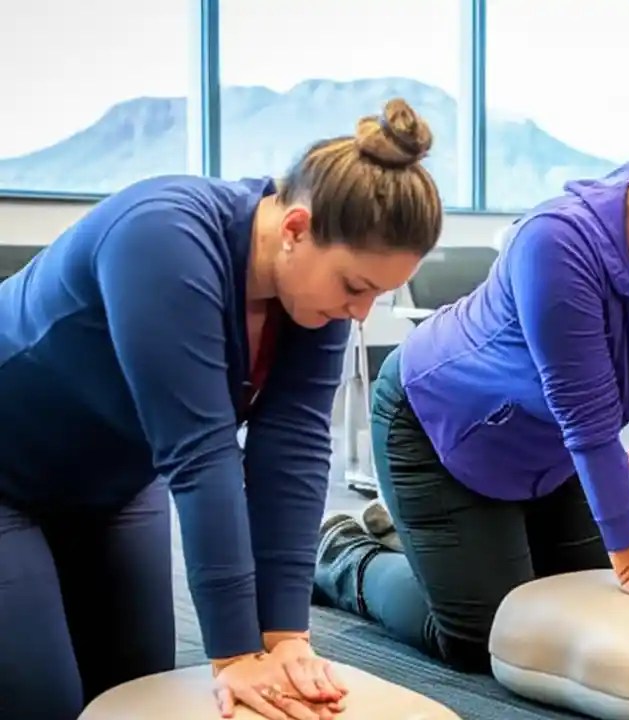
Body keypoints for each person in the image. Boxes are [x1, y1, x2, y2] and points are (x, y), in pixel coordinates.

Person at [312, 25, 629, 674]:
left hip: (548, 452)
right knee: (485, 638)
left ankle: (437, 541)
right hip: (438, 427)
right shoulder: (560, 243)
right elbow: (589, 417)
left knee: (588, 609)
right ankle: (346, 553)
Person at [0, 98, 444, 720]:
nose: (362, 312)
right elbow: (202, 455)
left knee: (138, 691)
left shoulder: (312, 291)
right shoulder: (163, 236)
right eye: (355, 287)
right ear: (294, 229)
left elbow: (291, 450)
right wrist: (236, 653)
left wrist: (285, 634)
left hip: (116, 482)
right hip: (8, 472)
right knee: (44, 703)